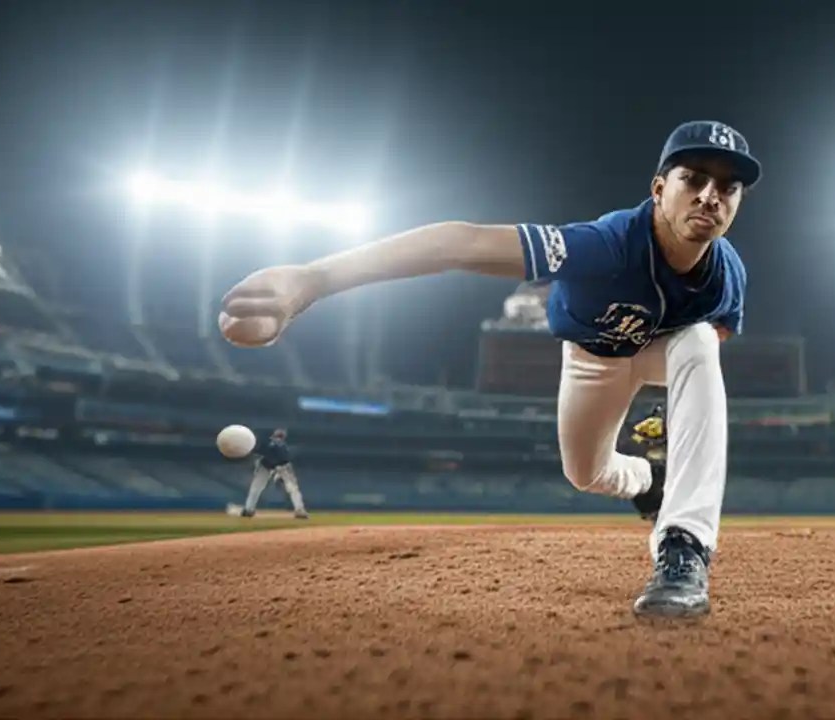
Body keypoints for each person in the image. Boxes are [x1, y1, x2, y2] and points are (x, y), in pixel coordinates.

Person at [217, 120, 759, 617]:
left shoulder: (727, 272)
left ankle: (683, 548)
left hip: (664, 347)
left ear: (737, 203)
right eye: (694, 178)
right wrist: (314, 279)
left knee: (696, 344)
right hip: (594, 355)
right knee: (586, 473)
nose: (711, 195)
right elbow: (462, 242)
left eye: (728, 186)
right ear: (660, 188)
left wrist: (679, 406)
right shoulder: (605, 245)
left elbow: (714, 337)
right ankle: (648, 479)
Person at [240, 428, 309, 520]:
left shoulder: (269, 442)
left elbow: (257, 452)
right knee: (293, 489)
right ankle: (300, 510)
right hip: (279, 465)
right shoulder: (282, 445)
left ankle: (248, 509)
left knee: (256, 488)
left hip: (270, 464)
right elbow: (283, 457)